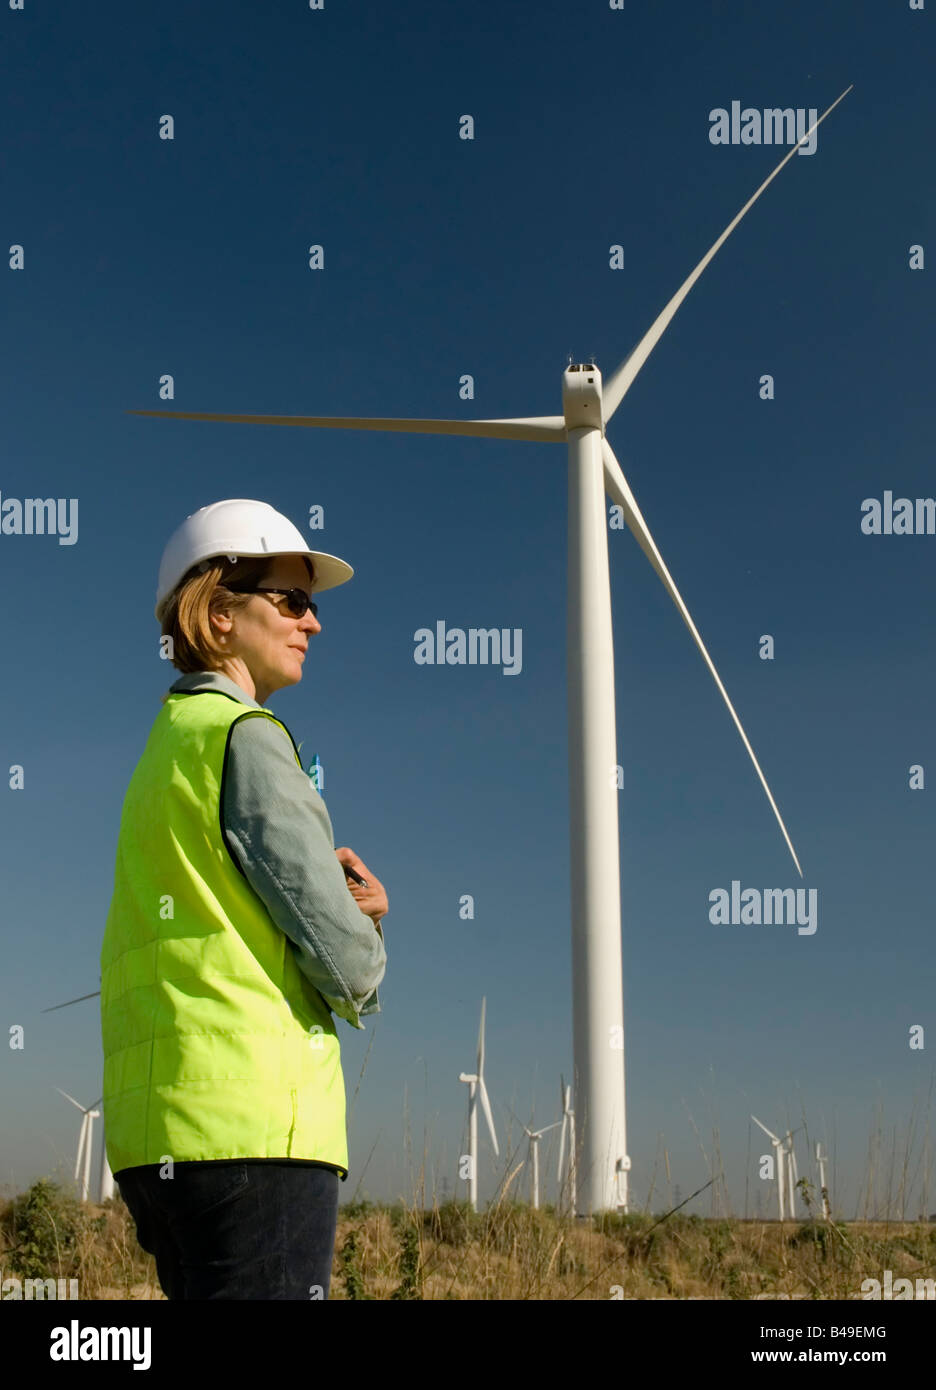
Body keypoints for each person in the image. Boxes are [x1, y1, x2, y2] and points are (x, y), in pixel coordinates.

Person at [100, 498, 388, 1300]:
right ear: (220, 613)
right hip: (256, 1136)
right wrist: (367, 930)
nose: (314, 623)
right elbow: (345, 961)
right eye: (291, 600)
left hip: (158, 1138)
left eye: (314, 605)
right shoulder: (246, 735)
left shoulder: (165, 746)